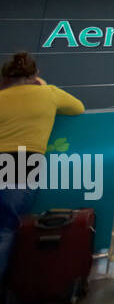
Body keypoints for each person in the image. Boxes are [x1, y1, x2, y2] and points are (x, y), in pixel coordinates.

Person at [0, 52, 85, 284]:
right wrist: (44, 87)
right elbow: (77, 108)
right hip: (20, 162)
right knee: (5, 229)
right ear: (35, 75)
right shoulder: (48, 94)